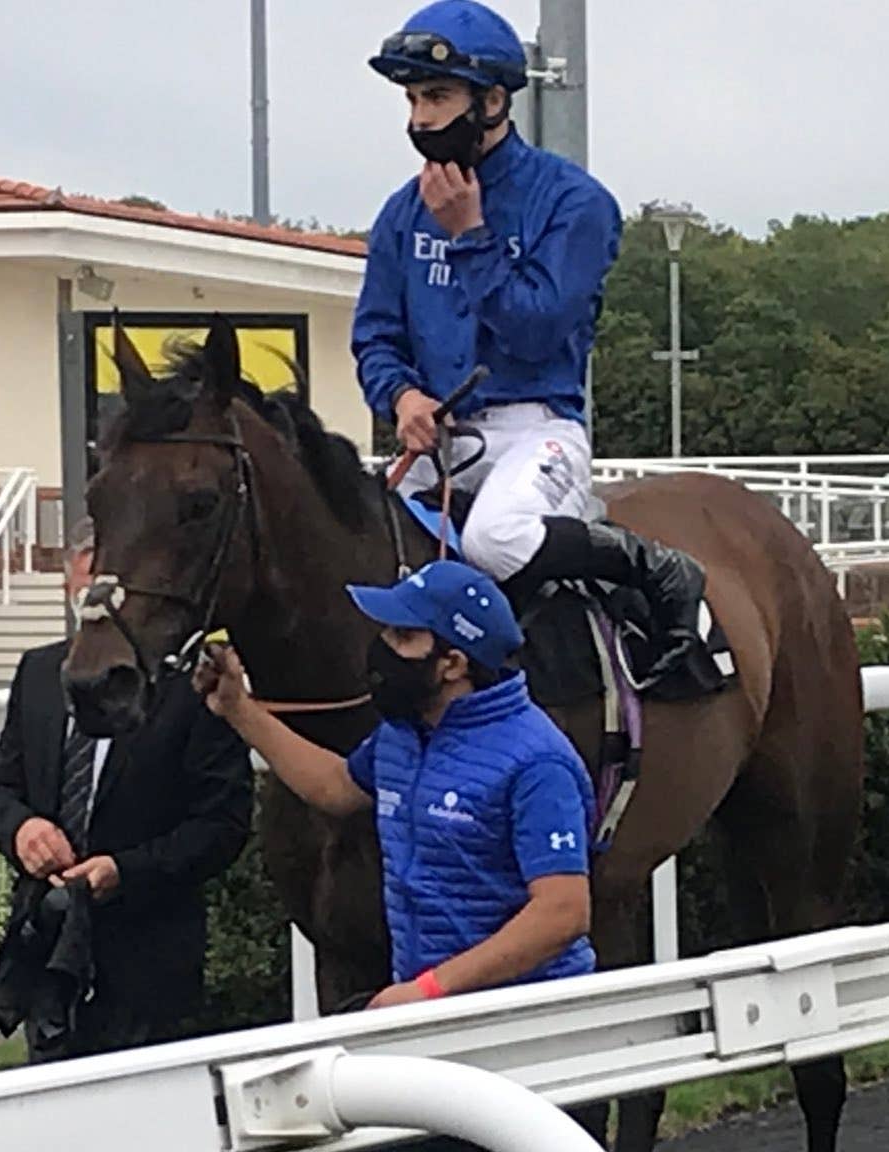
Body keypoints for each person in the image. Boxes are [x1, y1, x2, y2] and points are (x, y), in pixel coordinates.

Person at [353, 0, 705, 683]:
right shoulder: (400, 213)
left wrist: (469, 234)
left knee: (494, 539)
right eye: (413, 99)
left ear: (491, 101)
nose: (419, 119)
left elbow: (538, 328)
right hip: (434, 440)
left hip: (536, 429)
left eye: (437, 97)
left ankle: (654, 568)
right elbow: (375, 334)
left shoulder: (575, 202)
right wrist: (401, 397)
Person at [193, 558, 594, 1008]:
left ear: (452, 664)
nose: (382, 646)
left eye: (402, 636)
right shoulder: (404, 734)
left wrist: (429, 989)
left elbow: (563, 912)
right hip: (435, 1005)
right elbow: (335, 787)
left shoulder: (538, 763)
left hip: (526, 1018)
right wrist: (238, 709)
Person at [0, 517, 254, 1062]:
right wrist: (22, 830)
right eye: (87, 591)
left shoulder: (186, 687)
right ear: (68, 585)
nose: (97, 609)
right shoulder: (38, 673)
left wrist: (125, 871)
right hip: (50, 948)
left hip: (149, 962)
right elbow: (0, 790)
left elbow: (222, 823)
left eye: (111, 594)